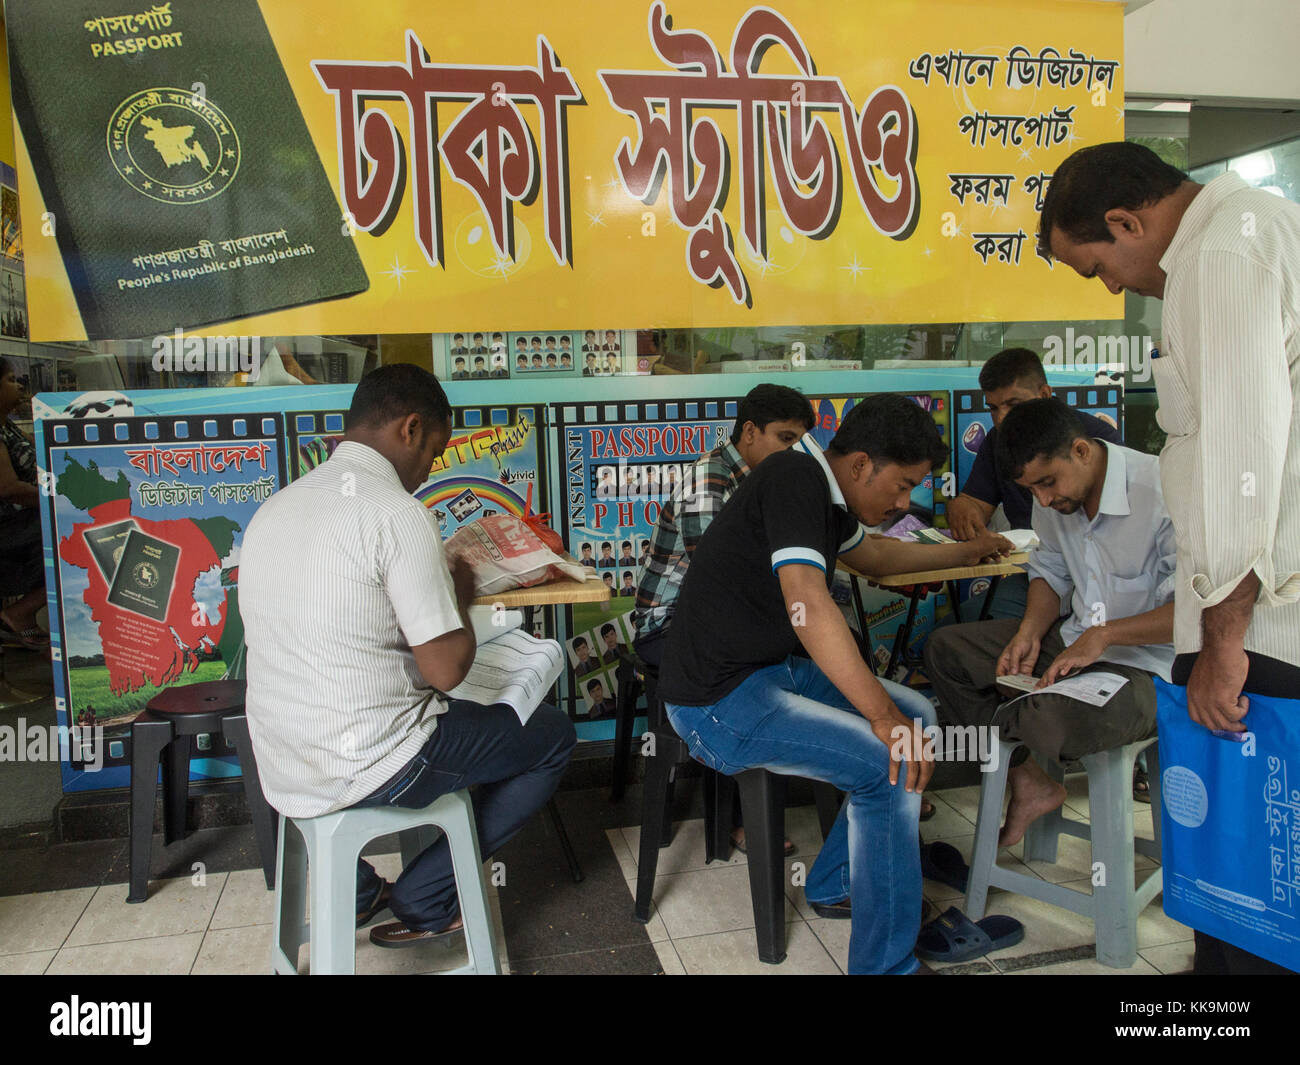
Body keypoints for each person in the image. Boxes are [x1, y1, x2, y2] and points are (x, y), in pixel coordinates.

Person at [1039, 140, 1300, 974]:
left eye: (1098, 267)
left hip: (1261, 633)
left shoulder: (1219, 258)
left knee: (1248, 879)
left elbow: (1237, 462)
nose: (1111, 288)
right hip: (1256, 617)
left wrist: (1224, 644)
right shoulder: (1259, 229)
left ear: (1128, 220)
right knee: (1255, 870)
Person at [659, 394, 1011, 975]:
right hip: (715, 701)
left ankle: (837, 884)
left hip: (766, 672)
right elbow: (806, 603)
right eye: (901, 486)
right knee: (886, 758)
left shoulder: (821, 493)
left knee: (917, 713)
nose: (904, 503)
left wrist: (967, 550)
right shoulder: (795, 475)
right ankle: (885, 966)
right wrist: (879, 716)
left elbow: (877, 559)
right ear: (859, 465)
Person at [239, 364, 576, 947]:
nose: (428, 470)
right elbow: (445, 672)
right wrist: (463, 604)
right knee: (550, 737)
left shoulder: (278, 508)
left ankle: (361, 890)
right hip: (374, 760)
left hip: (284, 759)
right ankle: (427, 895)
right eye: (435, 452)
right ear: (411, 429)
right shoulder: (396, 513)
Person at [925, 398, 1175, 846]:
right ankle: (1029, 779)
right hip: (1074, 642)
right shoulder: (1054, 499)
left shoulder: (1163, 489)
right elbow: (1050, 573)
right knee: (948, 653)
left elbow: (1198, 609)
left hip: (1150, 667)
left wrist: (1105, 636)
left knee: (1048, 721)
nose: (1042, 499)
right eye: (1031, 490)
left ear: (1081, 450)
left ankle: (1021, 735)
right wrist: (1029, 633)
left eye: (1046, 483)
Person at [946, 348, 1123, 619]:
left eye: (1013, 405)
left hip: (1099, 577)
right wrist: (964, 514)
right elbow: (973, 503)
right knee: (959, 626)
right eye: (993, 408)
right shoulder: (997, 441)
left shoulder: (1099, 439)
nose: (1002, 418)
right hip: (1036, 573)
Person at [0, 357, 48, 649]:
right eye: (9, 380)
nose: (17, 385)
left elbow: (39, 445)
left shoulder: (8, 426)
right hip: (9, 530)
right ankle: (20, 612)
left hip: (22, 523)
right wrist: (58, 501)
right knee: (82, 536)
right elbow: (9, 489)